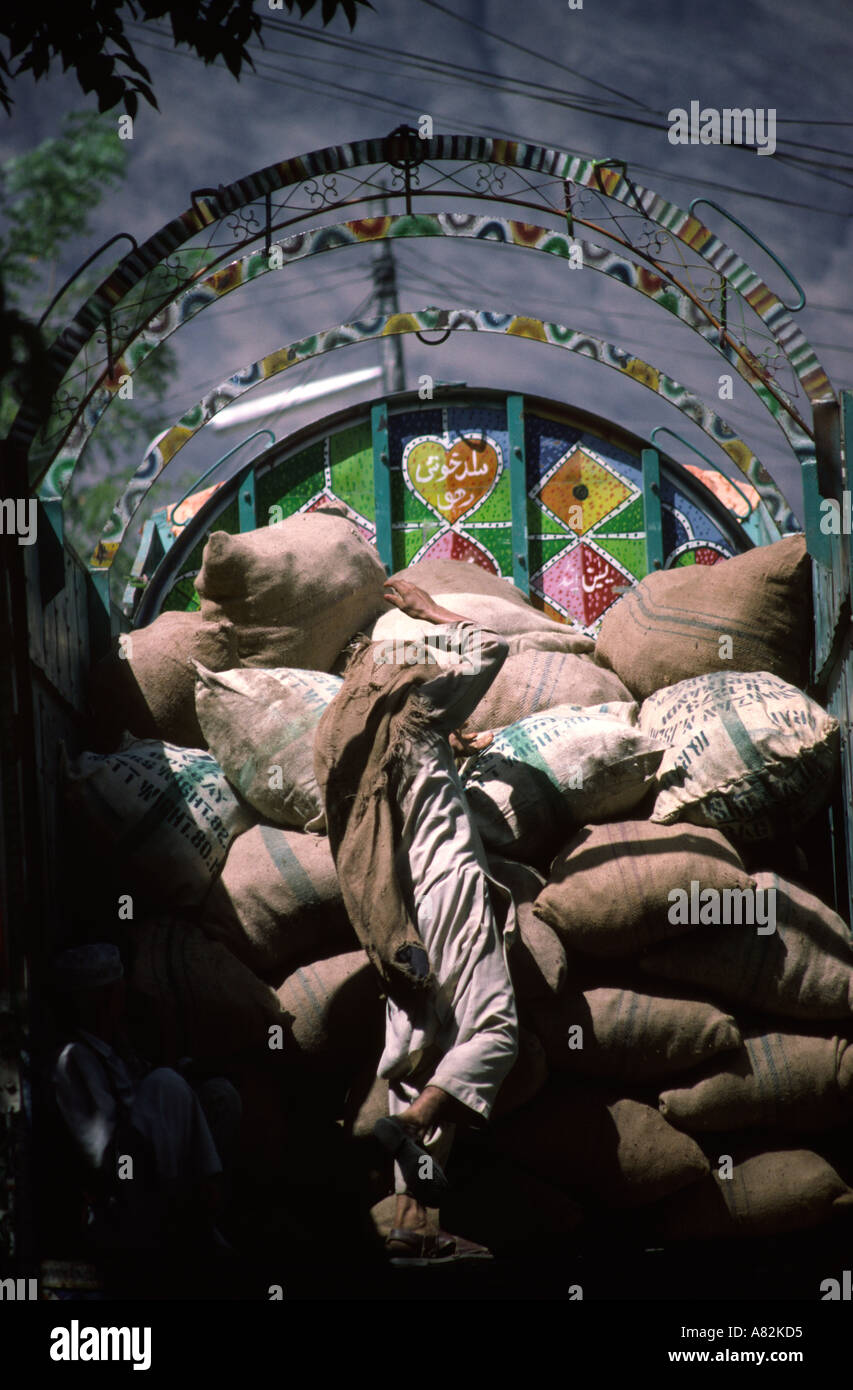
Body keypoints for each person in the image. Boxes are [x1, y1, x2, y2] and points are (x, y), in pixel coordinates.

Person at [314, 578, 519, 1265]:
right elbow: (492, 645)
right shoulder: (420, 706)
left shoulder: (342, 731)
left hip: (387, 915)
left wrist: (448, 754)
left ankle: (415, 1225)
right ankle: (411, 1121)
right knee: (493, 1030)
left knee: (417, 1055)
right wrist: (427, 608)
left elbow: (391, 788)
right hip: (445, 888)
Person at [51, 943, 240, 1253]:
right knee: (165, 1085)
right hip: (127, 1187)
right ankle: (176, 1219)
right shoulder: (76, 1059)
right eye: (116, 995)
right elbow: (106, 1155)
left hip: (150, 1159)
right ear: (102, 1001)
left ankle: (206, 1209)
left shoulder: (114, 1049)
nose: (123, 1004)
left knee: (219, 1095)